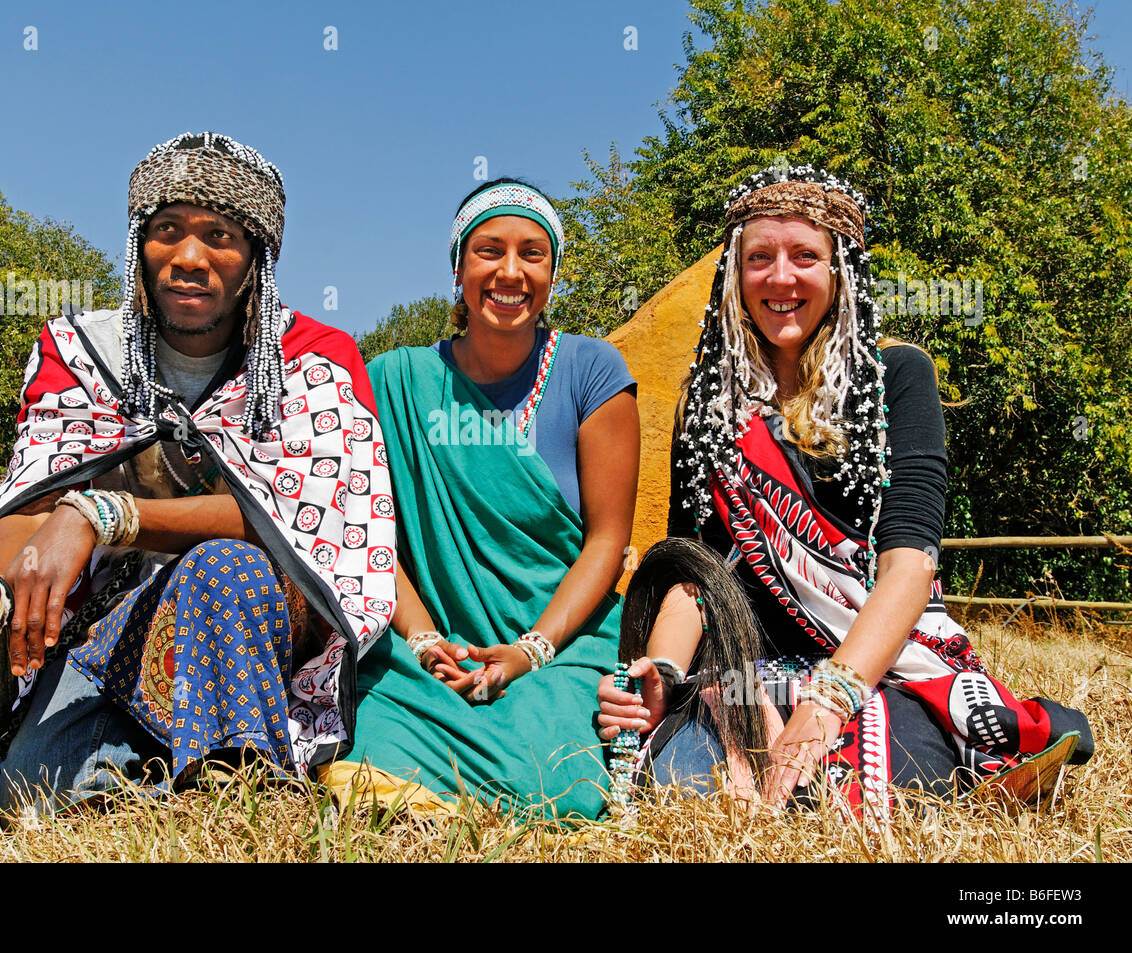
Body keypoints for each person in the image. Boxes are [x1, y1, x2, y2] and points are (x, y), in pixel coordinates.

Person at [0, 132, 397, 813]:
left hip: (255, 629)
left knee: (223, 567)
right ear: (140, 243)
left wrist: (102, 513)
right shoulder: (80, 351)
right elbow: (27, 509)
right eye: (168, 230)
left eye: (220, 235)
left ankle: (242, 781)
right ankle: (167, 774)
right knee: (29, 795)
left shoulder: (315, 358)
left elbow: (298, 524)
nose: (189, 257)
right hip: (114, 631)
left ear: (257, 256)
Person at [597, 165, 1092, 814]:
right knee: (684, 784)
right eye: (759, 258)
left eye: (805, 256)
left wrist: (826, 703)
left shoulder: (897, 378)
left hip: (873, 663)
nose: (780, 278)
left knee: (881, 777)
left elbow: (910, 565)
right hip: (744, 672)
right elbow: (695, 578)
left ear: (841, 272)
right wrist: (664, 674)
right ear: (734, 275)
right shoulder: (710, 407)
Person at [343, 178, 639, 818]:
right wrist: (426, 642)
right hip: (430, 644)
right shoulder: (394, 380)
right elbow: (368, 532)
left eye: (533, 254)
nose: (511, 272)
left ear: (553, 272)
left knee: (551, 773)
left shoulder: (592, 370)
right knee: (368, 740)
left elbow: (608, 539)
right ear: (458, 269)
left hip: (565, 642)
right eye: (488, 251)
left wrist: (530, 652)